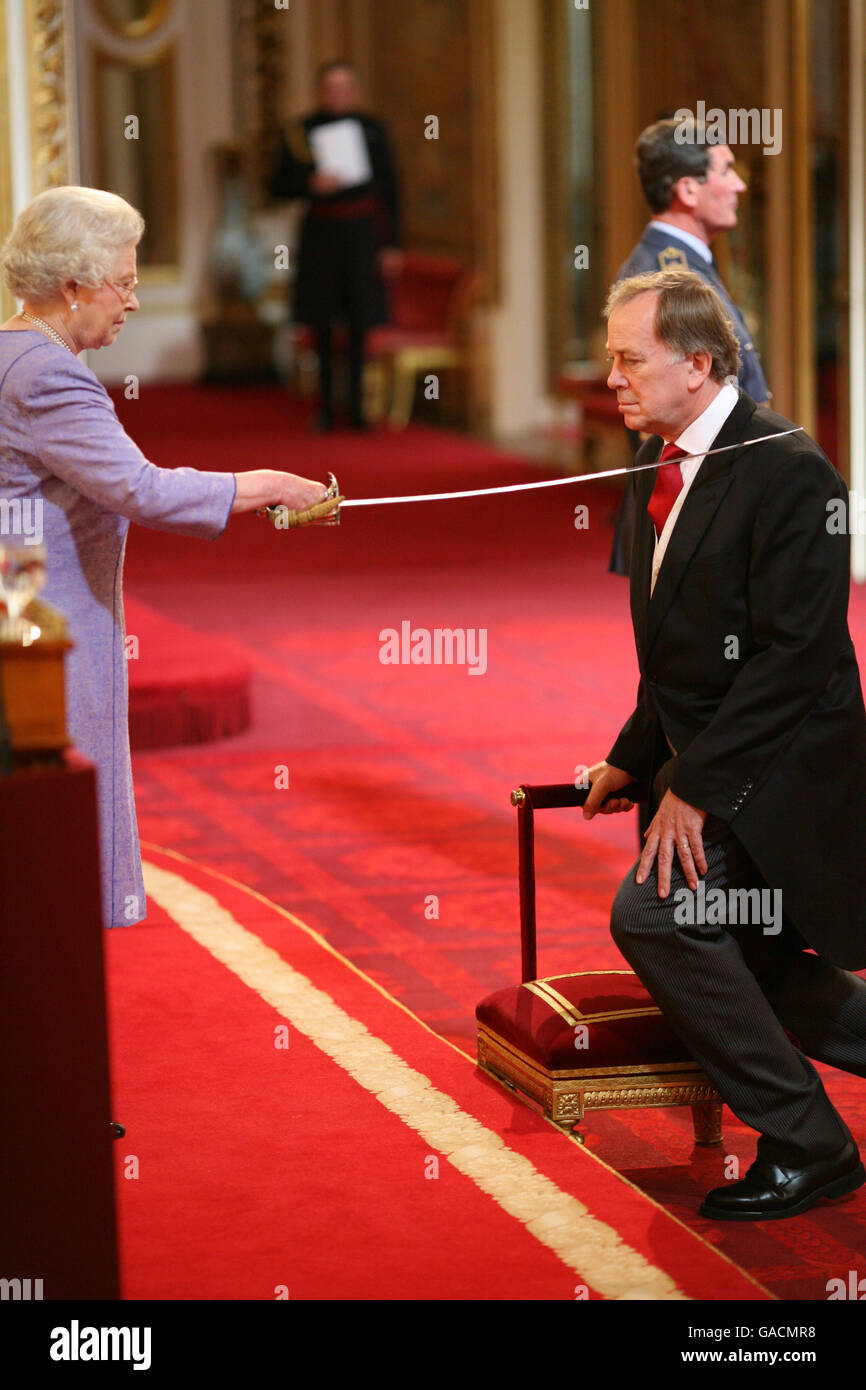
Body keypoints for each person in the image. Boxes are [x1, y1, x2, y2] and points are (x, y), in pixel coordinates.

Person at [583, 268, 866, 1221]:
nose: (610, 377)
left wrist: (693, 787)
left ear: (697, 363)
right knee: (753, 950)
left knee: (660, 919)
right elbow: (678, 647)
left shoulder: (791, 470)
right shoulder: (655, 456)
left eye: (629, 359)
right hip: (718, 758)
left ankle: (807, 1143)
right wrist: (634, 751)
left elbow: (793, 658)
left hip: (782, 769)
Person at [0, 185, 336, 929]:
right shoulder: (48, 375)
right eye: (124, 282)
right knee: (57, 815)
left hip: (21, 606)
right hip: (46, 624)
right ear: (73, 285)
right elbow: (140, 489)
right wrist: (269, 483)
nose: (134, 302)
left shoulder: (10, 351)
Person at [610, 118, 769, 576]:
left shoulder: (685, 265)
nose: (739, 184)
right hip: (699, 509)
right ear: (688, 189)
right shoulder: (668, 279)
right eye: (726, 170)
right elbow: (658, 413)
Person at [269, 60, 401, 431]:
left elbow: (392, 189)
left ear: (354, 91)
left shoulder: (373, 129)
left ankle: (359, 409)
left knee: (360, 322)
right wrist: (311, 183)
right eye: (331, 87)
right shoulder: (301, 130)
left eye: (345, 87)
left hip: (363, 236)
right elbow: (277, 184)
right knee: (322, 322)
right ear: (321, 92)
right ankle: (326, 407)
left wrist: (393, 246)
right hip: (321, 235)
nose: (338, 94)